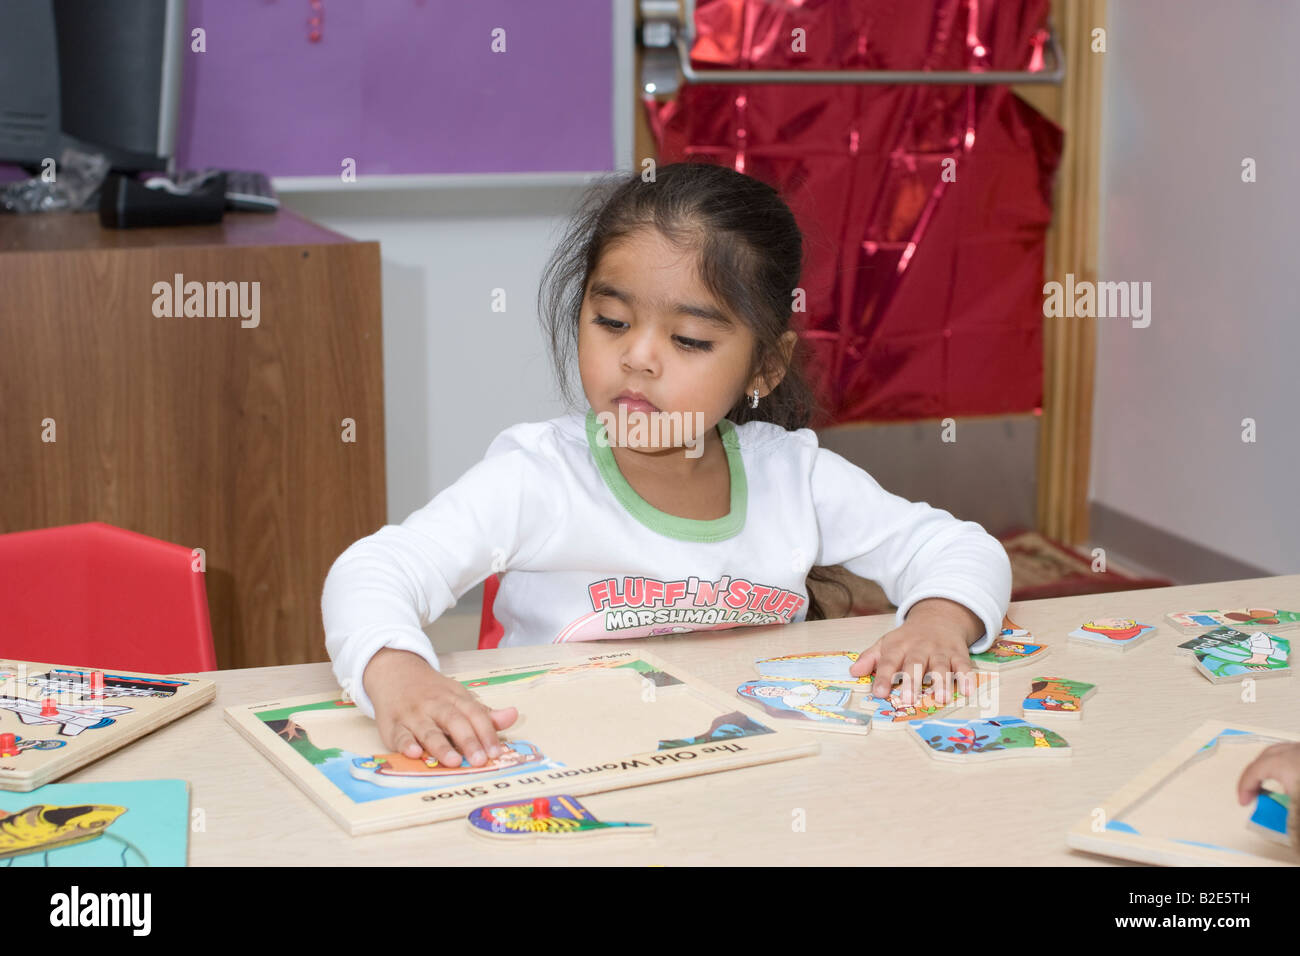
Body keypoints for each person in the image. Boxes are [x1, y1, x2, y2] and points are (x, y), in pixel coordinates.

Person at [322, 162, 1011, 769]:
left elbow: (954, 547)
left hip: (752, 774)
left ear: (764, 366)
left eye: (688, 339)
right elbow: (375, 571)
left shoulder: (791, 477)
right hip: (568, 770)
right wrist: (398, 670)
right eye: (612, 322)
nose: (639, 357)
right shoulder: (537, 476)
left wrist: (937, 622)